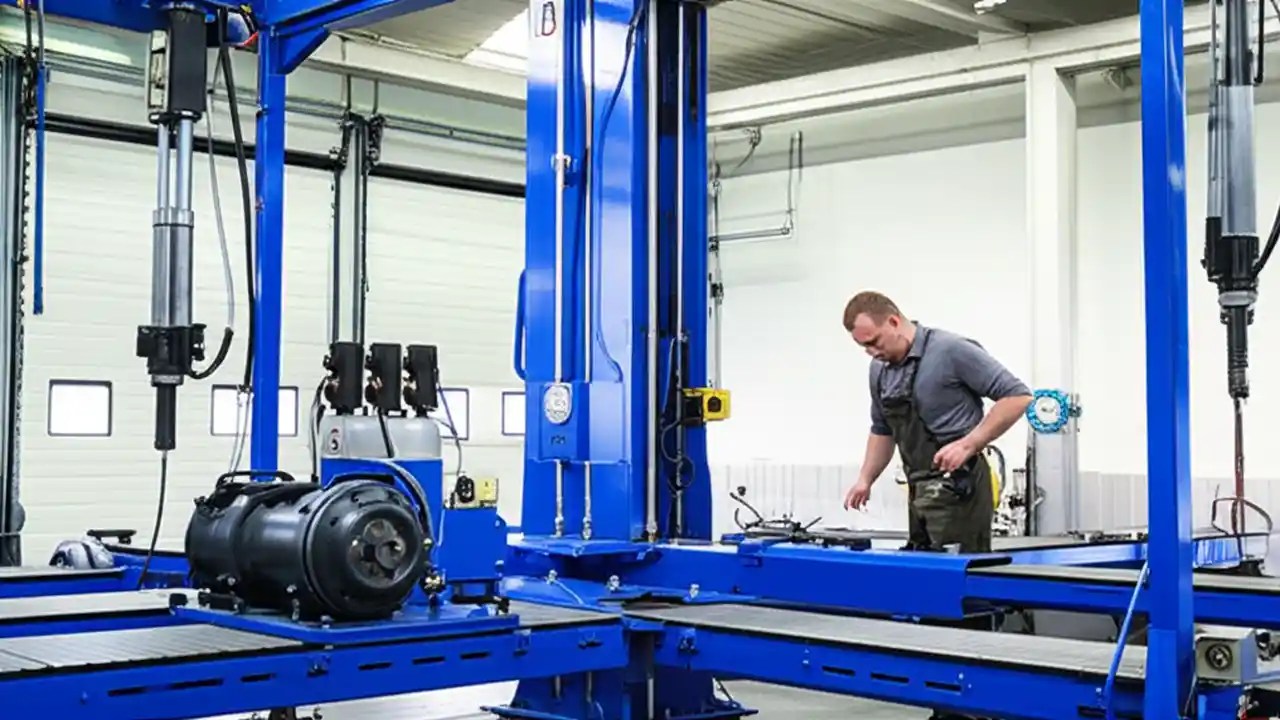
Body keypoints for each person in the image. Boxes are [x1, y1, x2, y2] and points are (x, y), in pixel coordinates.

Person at [841, 291, 1032, 554]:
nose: (871, 352)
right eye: (864, 347)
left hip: (960, 487)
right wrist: (865, 479)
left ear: (894, 322)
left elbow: (1017, 397)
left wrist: (969, 444)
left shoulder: (951, 350)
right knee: (921, 565)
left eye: (874, 342)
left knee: (957, 569)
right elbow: (882, 429)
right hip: (918, 488)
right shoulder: (879, 370)